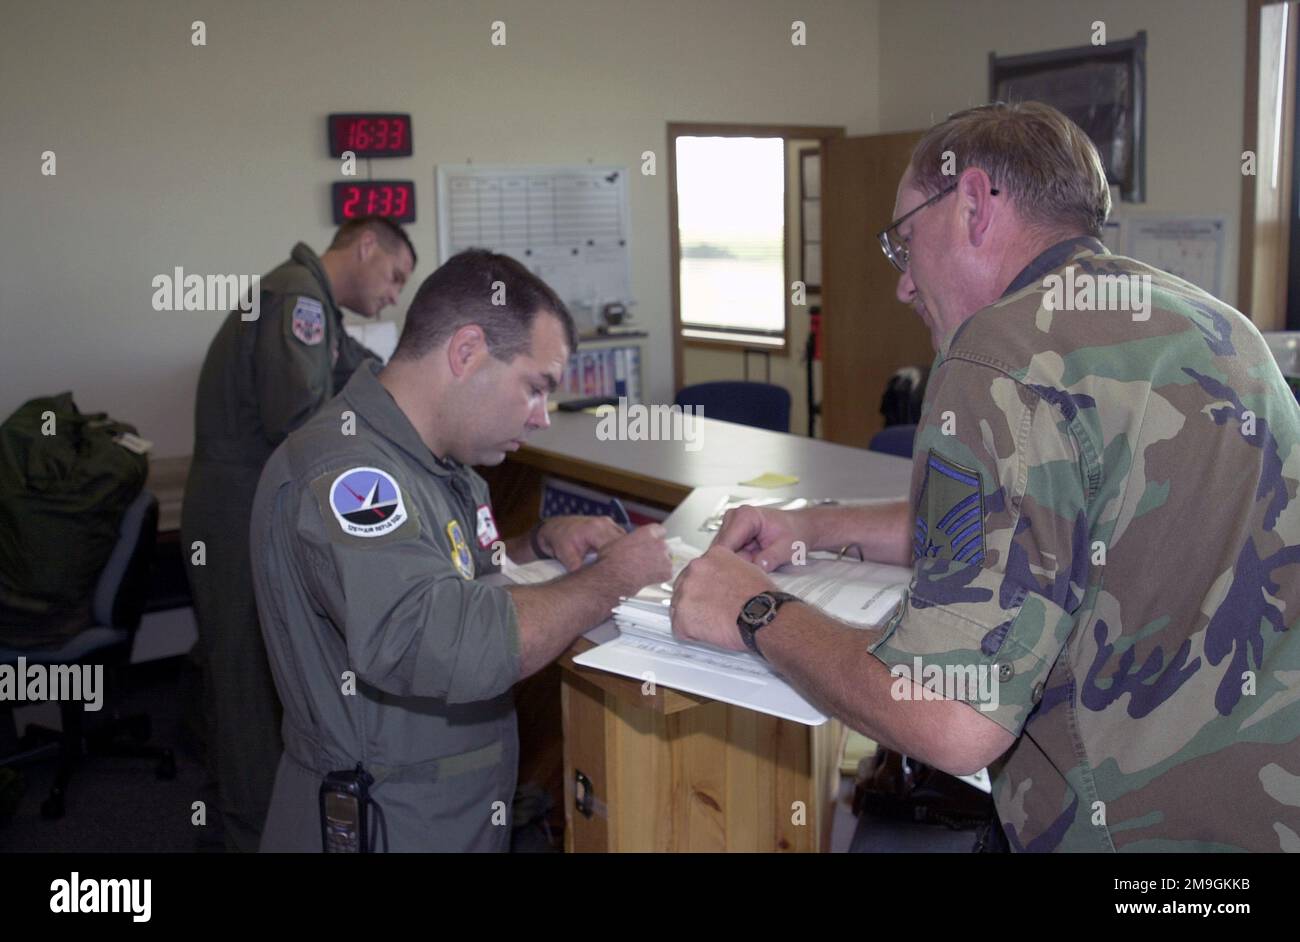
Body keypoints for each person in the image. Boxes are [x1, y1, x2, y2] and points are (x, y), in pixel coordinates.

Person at [671, 102, 1300, 852]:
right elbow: (1053, 518)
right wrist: (812, 525)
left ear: (971, 204)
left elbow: (947, 716)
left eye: (903, 243)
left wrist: (757, 611)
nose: (903, 285)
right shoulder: (1217, 326)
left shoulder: (996, 352)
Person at [249, 249, 672, 852]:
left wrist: (536, 545)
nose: (543, 418)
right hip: (386, 819)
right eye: (535, 387)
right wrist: (614, 580)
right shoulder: (349, 473)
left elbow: (458, 578)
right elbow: (439, 639)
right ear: (467, 351)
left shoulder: (441, 464)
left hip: (446, 806)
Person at [182, 216, 416, 852]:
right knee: (247, 683)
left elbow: (358, 380)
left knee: (249, 673)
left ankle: (247, 814)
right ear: (366, 246)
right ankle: (251, 833)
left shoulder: (314, 306)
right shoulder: (298, 298)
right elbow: (301, 417)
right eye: (395, 275)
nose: (395, 293)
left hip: (248, 500)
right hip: (238, 510)